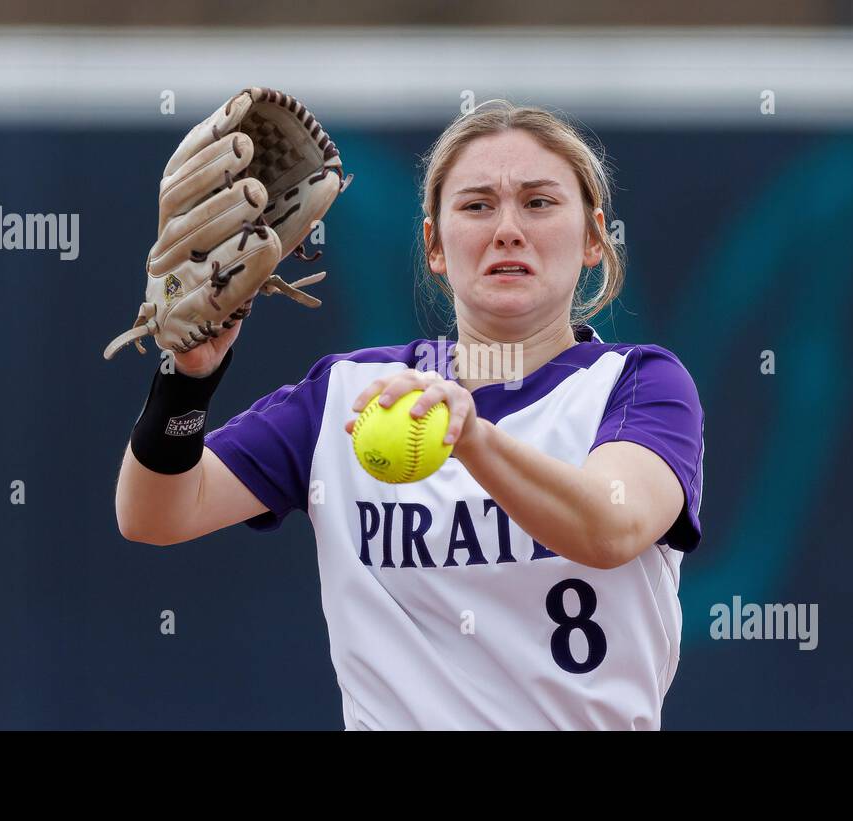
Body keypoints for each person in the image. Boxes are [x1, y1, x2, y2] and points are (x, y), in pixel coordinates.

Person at [115, 100, 705, 730]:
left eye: (538, 202)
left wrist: (472, 436)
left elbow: (610, 528)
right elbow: (155, 512)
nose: (508, 228)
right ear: (434, 246)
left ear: (593, 239)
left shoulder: (636, 384)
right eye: (476, 205)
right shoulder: (349, 393)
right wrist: (189, 378)